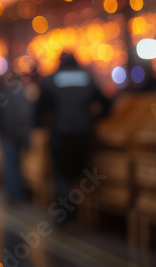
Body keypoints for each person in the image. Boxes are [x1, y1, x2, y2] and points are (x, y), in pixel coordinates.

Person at [35, 52, 111, 223]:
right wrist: (94, 118)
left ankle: (65, 217)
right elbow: (106, 103)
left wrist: (40, 124)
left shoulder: (51, 80)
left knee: (62, 175)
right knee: (80, 175)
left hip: (60, 136)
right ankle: (81, 217)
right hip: (84, 136)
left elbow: (38, 108)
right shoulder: (87, 78)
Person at [0, 67, 35, 203]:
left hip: (8, 134)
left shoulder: (4, 94)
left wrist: (0, 131)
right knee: (18, 164)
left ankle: (13, 195)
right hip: (20, 134)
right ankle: (18, 194)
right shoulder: (23, 94)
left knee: (10, 164)